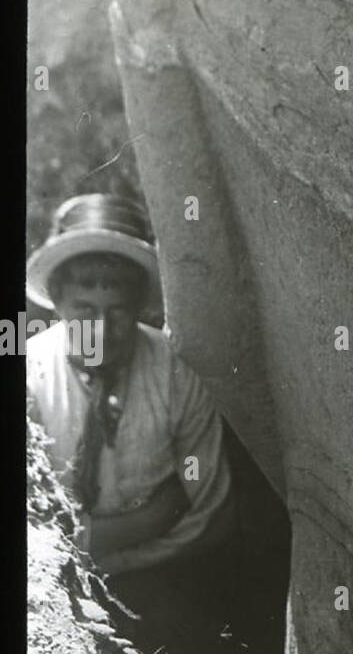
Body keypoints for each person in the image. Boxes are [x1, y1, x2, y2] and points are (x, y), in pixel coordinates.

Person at [26, 194, 235, 576]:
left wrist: (119, 564)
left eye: (118, 308)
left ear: (140, 303)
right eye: (85, 309)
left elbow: (208, 507)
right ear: (56, 301)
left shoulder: (177, 371)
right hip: (53, 581)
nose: (102, 328)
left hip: (164, 573)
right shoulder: (30, 375)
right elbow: (31, 529)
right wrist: (149, 519)